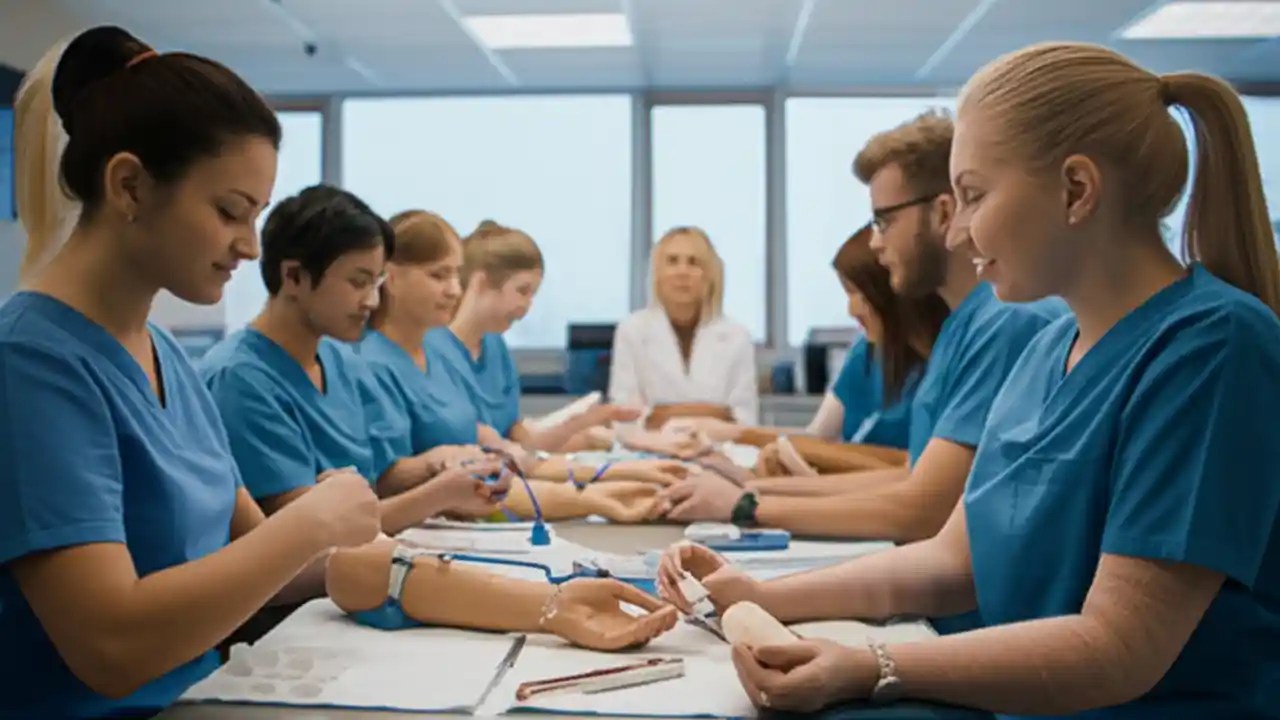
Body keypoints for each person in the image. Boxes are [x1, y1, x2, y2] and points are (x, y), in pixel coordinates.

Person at [662, 42, 1280, 720]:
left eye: (974, 196)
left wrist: (872, 668)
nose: (956, 234)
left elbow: (1120, 646)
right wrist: (761, 593)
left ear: (1077, 190)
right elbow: (956, 561)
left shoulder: (1211, 347)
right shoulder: (1047, 350)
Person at [0, 27, 383, 719]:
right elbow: (111, 647)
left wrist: (519, 592)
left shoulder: (163, 353)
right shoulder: (30, 363)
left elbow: (257, 559)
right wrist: (311, 524)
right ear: (130, 187)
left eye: (258, 214)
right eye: (229, 211)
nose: (250, 244)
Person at [656, 111, 1064, 544]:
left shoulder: (1009, 323)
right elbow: (910, 480)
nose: (874, 241)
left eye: (883, 220)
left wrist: (748, 505)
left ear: (943, 213)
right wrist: (748, 487)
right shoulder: (964, 326)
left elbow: (922, 511)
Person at [199, 186, 508, 534]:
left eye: (377, 283)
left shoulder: (339, 361)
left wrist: (444, 465)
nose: (373, 301)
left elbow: (377, 478)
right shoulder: (240, 380)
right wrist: (439, 495)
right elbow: (307, 531)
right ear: (294, 277)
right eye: (358, 282)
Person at [357, 208, 690, 520]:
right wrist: (594, 496)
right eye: (438, 276)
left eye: (455, 276)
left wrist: (611, 481)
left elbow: (510, 460)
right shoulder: (374, 364)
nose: (453, 290)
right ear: (392, 278)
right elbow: (390, 483)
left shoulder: (437, 356)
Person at [681, 223, 950, 474]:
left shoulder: (942, 361)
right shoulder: (865, 351)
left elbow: (913, 469)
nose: (851, 309)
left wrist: (742, 435)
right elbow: (815, 437)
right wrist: (734, 436)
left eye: (859, 294)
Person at [427, 220, 638, 452]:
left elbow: (523, 447)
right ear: (481, 283)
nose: (527, 306)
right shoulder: (432, 353)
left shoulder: (495, 349)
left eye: (532, 295)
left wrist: (586, 422)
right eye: (522, 291)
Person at [609, 226, 759, 426]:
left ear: (710, 275)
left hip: (721, 452)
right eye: (672, 261)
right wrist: (712, 413)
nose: (682, 272)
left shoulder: (736, 336)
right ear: (657, 274)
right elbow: (624, 416)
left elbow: (744, 420)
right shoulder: (632, 330)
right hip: (649, 453)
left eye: (694, 262)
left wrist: (662, 414)